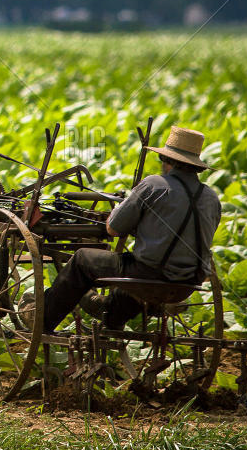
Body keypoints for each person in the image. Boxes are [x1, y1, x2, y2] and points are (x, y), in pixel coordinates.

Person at [40, 126, 221, 332]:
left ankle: (42, 321)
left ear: (166, 160)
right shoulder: (211, 197)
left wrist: (120, 213)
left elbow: (113, 229)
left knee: (82, 259)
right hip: (189, 283)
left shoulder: (154, 185)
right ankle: (110, 315)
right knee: (136, 273)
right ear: (196, 166)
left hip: (150, 275)